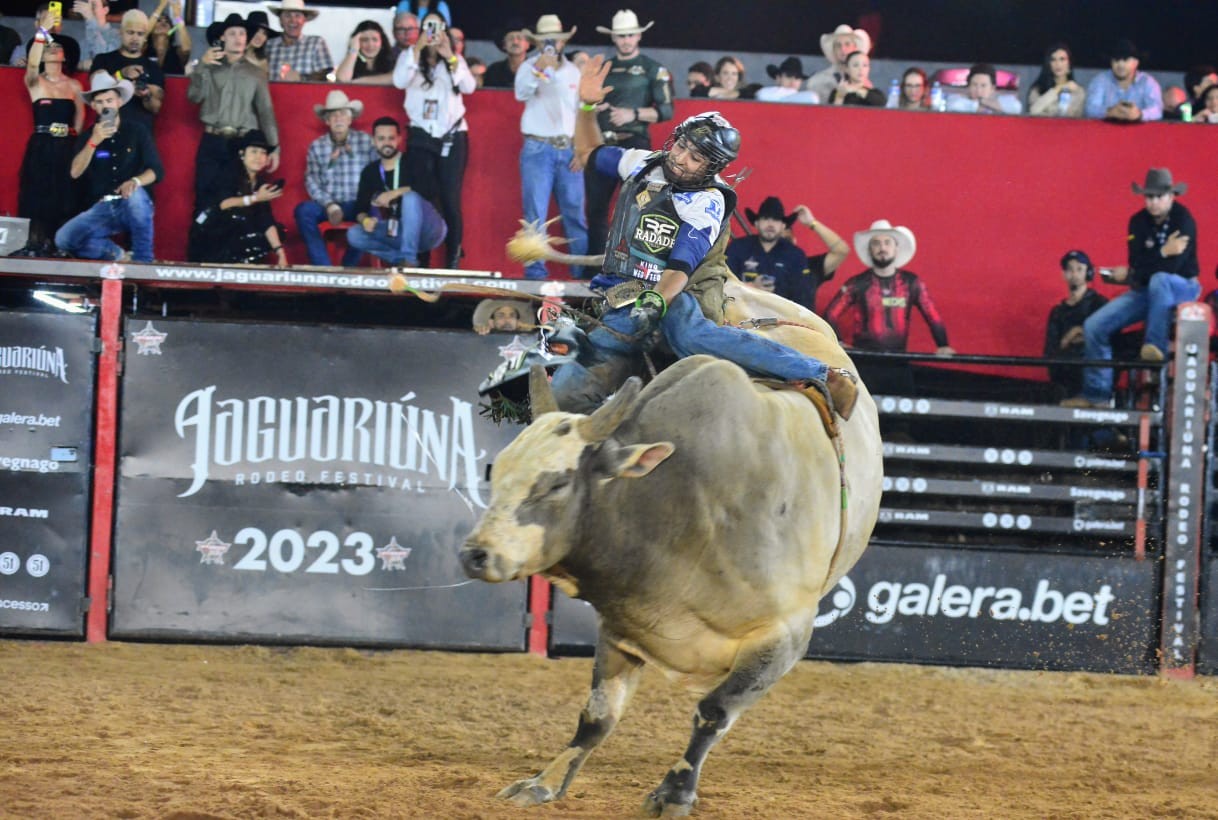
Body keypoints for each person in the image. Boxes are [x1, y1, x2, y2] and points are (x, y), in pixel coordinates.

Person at [550, 57, 857, 419]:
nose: (680, 158)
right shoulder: (642, 161)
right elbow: (587, 154)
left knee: (690, 337)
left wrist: (654, 302)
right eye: (681, 146)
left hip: (678, 293)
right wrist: (586, 107)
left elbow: (682, 263)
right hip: (624, 289)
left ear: (710, 168)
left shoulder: (710, 199)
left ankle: (820, 373)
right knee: (568, 367)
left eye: (695, 158)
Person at [1063, 169, 1200, 408]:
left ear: (1171, 197)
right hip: (1148, 288)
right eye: (1149, 197)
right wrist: (1162, 252)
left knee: (1160, 279)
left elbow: (1173, 266)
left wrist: (1149, 264)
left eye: (1159, 197)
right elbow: (1136, 264)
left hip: (1183, 287)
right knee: (1094, 326)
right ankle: (1097, 395)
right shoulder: (1137, 221)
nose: (1153, 202)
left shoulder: (1183, 218)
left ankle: (1154, 347)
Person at [584, 10, 673, 263]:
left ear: (639, 36)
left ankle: (633, 265)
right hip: (601, 143)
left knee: (638, 208)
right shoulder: (603, 68)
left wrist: (631, 113)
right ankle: (595, 268)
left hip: (635, 144)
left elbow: (666, 110)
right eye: (621, 36)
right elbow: (585, 105)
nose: (625, 40)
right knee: (596, 210)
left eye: (630, 35)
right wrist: (594, 107)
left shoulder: (652, 69)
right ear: (613, 38)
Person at [393, 11, 474, 269]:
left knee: (451, 198)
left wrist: (449, 54)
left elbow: (470, 87)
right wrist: (417, 49)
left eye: (436, 27)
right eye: (427, 26)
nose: (432, 32)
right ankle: (421, 255)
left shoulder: (454, 59)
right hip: (421, 134)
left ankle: (453, 258)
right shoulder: (410, 57)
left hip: (452, 134)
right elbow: (399, 81)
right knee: (422, 193)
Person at [56, 72, 162, 263]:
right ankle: (118, 256)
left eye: (110, 100)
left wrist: (134, 181)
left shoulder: (137, 131)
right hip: (104, 205)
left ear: (119, 102)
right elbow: (75, 172)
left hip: (134, 200)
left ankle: (143, 261)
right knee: (64, 239)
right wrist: (93, 142)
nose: (106, 106)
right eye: (100, 102)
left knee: (136, 196)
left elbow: (156, 170)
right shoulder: (89, 135)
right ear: (94, 106)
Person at [514, 14, 587, 281]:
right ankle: (535, 273)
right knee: (535, 215)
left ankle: (580, 275)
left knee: (575, 213)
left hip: (567, 148)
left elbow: (581, 112)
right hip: (538, 147)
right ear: (537, 42)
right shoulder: (528, 66)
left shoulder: (573, 71)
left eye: (554, 39)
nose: (551, 44)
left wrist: (581, 148)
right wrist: (538, 70)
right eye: (546, 40)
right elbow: (521, 93)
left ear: (562, 42)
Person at [187, 12, 280, 215]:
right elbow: (194, 97)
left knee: (237, 197)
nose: (238, 38)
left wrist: (274, 147)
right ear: (222, 37)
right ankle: (200, 244)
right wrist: (202, 65)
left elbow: (266, 111)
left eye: (242, 33)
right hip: (212, 138)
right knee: (204, 196)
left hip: (241, 143)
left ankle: (232, 245)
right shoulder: (209, 68)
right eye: (232, 33)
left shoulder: (256, 73)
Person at [825, 220, 954, 356]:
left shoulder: (911, 283)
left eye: (887, 242)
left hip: (899, 362)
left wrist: (943, 345)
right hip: (864, 363)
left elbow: (932, 315)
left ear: (896, 248)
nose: (882, 248)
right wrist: (838, 342)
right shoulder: (857, 283)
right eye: (876, 243)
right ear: (870, 250)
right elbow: (830, 314)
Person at [18, 10, 84, 256]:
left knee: (64, 196)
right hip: (41, 144)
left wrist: (69, 132)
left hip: (66, 146)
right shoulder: (36, 82)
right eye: (49, 47)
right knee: (37, 194)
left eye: (57, 47)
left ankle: (62, 244)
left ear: (65, 55)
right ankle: (36, 243)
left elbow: (79, 121)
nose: (53, 49)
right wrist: (41, 32)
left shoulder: (74, 85)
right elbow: (32, 64)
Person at [346, 116, 447, 267]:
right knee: (354, 234)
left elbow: (431, 190)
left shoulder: (413, 161)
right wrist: (365, 220)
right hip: (398, 232)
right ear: (373, 141)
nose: (386, 143)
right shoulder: (370, 172)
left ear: (399, 140)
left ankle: (409, 260)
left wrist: (395, 192)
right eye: (381, 138)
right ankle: (400, 260)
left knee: (410, 198)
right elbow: (360, 209)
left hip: (430, 230)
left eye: (391, 138)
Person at [295, 90, 374, 267]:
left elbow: (376, 175)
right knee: (303, 211)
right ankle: (324, 268)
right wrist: (329, 204)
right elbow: (311, 180)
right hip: (329, 205)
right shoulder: (317, 146)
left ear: (350, 119)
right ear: (327, 121)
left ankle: (347, 268)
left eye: (343, 114)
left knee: (374, 217)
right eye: (333, 115)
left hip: (358, 203)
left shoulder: (366, 141)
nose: (338, 118)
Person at [726, 197, 849, 311]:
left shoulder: (797, 257)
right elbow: (720, 284)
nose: (770, 224)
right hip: (740, 320)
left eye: (776, 220)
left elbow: (841, 251)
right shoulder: (738, 247)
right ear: (756, 223)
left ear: (783, 226)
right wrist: (751, 287)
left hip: (783, 324)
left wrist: (812, 223)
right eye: (765, 218)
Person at [188, 129, 287, 266]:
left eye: (263, 153)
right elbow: (223, 204)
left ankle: (245, 264)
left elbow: (266, 221)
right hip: (212, 234)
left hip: (240, 234)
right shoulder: (229, 173)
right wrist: (255, 198)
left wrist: (280, 253)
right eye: (254, 151)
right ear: (242, 153)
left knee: (278, 230)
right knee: (236, 218)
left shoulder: (260, 184)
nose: (259, 157)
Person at [1044, 250, 1108, 399]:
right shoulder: (1058, 312)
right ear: (1064, 274)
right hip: (1064, 379)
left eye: (1079, 269)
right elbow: (1050, 351)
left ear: (1088, 273)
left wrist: (1080, 332)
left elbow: (1108, 338)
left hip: (1093, 374)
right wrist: (1068, 339)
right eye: (1070, 269)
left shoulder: (1099, 304)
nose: (1074, 274)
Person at [90, 10, 165, 132]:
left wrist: (145, 94)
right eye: (130, 32)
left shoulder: (153, 67)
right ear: (120, 32)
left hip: (140, 134)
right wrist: (122, 74)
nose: (135, 38)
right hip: (107, 130)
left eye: (140, 34)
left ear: (145, 37)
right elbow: (96, 86)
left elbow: (156, 107)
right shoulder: (103, 59)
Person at [1084, 39, 1162, 122]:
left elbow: (1157, 110)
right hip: (1106, 132)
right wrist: (1109, 112)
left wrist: (1139, 114)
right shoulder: (1100, 80)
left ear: (1136, 62)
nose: (1120, 65)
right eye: (1116, 60)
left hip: (1139, 133)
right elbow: (1089, 109)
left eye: (1125, 60)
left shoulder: (1147, 82)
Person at [265, 0, 333, 82]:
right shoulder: (269, 45)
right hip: (272, 94)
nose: (293, 20)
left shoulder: (316, 43)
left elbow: (325, 72)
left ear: (304, 20)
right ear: (280, 21)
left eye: (297, 16)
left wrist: (302, 78)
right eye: (287, 16)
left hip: (305, 94)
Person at [806, 23, 870, 103]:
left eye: (847, 44)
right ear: (834, 50)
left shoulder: (863, 81)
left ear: (855, 48)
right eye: (838, 45)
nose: (843, 49)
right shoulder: (819, 80)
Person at [1026, 43, 1086, 117]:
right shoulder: (1038, 89)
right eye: (1053, 60)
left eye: (1062, 59)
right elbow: (1033, 111)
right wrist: (1058, 88)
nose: (1058, 64)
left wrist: (1045, 112)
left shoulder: (1078, 91)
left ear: (1069, 64)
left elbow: (1067, 116)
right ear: (1048, 64)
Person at [27, 1, 82, 74]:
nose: (51, 23)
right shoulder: (33, 43)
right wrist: (44, 30)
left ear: (61, 25)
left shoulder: (70, 43)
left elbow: (70, 68)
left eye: (54, 19)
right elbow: (34, 66)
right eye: (47, 20)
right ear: (37, 24)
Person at [946, 63, 1022, 114]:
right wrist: (978, 105)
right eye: (974, 85)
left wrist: (983, 102)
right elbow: (952, 105)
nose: (978, 90)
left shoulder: (1004, 100)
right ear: (969, 86)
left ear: (992, 88)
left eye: (983, 86)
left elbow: (1016, 108)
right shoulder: (957, 99)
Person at [336, 20, 395, 85]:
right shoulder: (351, 63)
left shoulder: (392, 62)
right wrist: (353, 50)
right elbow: (342, 80)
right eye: (365, 40)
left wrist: (358, 82)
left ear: (382, 42)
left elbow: (394, 78)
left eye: (375, 39)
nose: (370, 44)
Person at [147, 0, 193, 75]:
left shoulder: (177, 52)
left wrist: (178, 17)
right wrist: (160, 7)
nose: (163, 23)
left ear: (171, 30)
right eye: (158, 21)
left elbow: (186, 48)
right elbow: (143, 35)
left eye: (167, 21)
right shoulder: (144, 49)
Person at [75, 0, 118, 73]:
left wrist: (90, 20)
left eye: (93, 5)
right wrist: (47, 30)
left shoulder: (116, 35)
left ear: (105, 10)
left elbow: (102, 57)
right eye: (87, 5)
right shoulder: (80, 34)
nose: (89, 9)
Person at [693, 56, 760, 101]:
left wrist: (735, 93)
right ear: (717, 77)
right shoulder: (704, 92)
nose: (730, 78)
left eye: (734, 74)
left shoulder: (747, 93)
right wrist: (725, 93)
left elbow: (756, 89)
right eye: (725, 73)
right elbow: (696, 92)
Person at [755, 57, 819, 104]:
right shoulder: (765, 93)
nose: (793, 81)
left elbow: (812, 98)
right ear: (778, 78)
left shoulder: (807, 98)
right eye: (789, 76)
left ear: (801, 82)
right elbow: (762, 95)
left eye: (797, 77)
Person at [242, 11, 280, 75]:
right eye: (257, 31)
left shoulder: (267, 61)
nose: (260, 37)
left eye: (264, 33)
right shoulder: (232, 54)